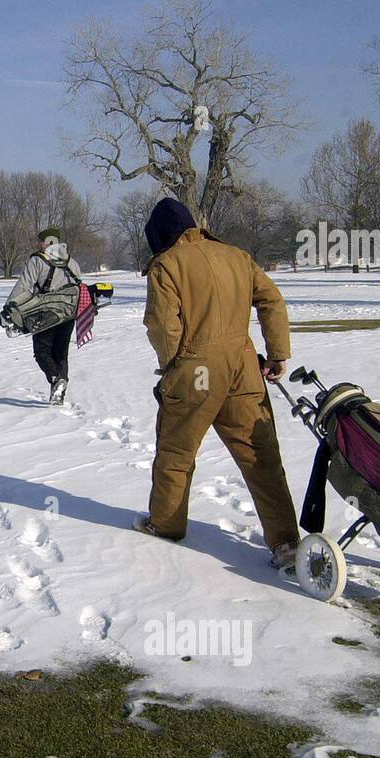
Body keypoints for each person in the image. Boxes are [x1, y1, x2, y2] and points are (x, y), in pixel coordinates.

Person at [132, 198, 300, 568]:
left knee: (176, 454)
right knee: (260, 458)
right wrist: (277, 354)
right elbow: (271, 299)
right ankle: (286, 543)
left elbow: (162, 325)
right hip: (243, 368)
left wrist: (173, 365)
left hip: (195, 372)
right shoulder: (236, 256)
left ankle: (166, 525)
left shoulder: (167, 265)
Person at [4, 227, 84, 405]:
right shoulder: (72, 262)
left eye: (40, 241)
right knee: (61, 354)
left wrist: (9, 308)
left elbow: (23, 286)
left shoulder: (37, 261)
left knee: (41, 352)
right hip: (69, 313)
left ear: (48, 241)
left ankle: (56, 379)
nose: (38, 244)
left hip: (45, 313)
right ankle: (58, 393)